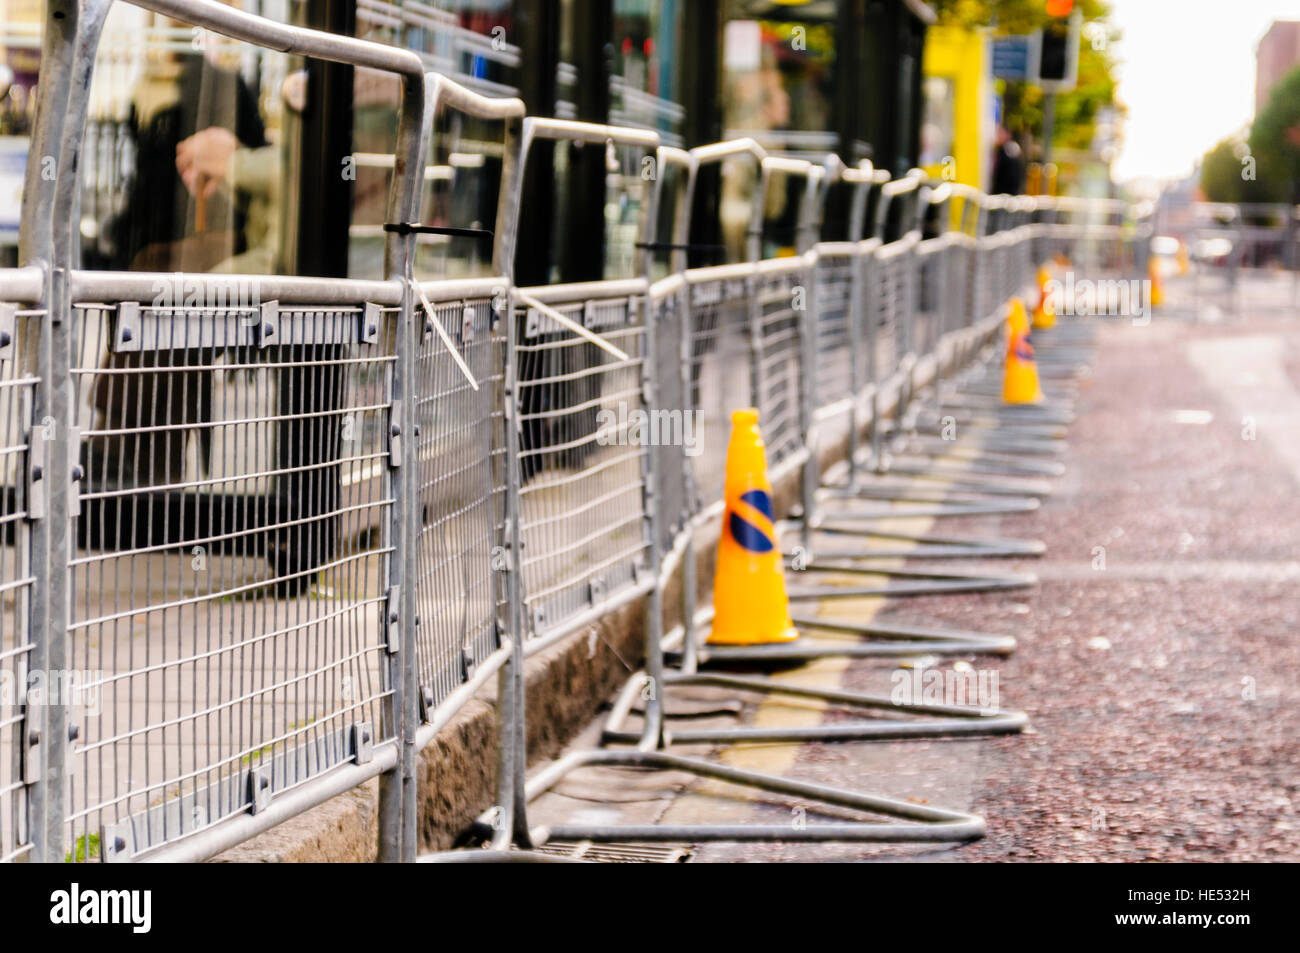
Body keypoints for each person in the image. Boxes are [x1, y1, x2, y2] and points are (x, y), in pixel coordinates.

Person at [991, 124, 1025, 196]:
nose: (999, 136)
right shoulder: (1000, 149)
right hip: (1000, 192)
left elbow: (1013, 175)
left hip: (1007, 193)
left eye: (1001, 133)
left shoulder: (1010, 150)